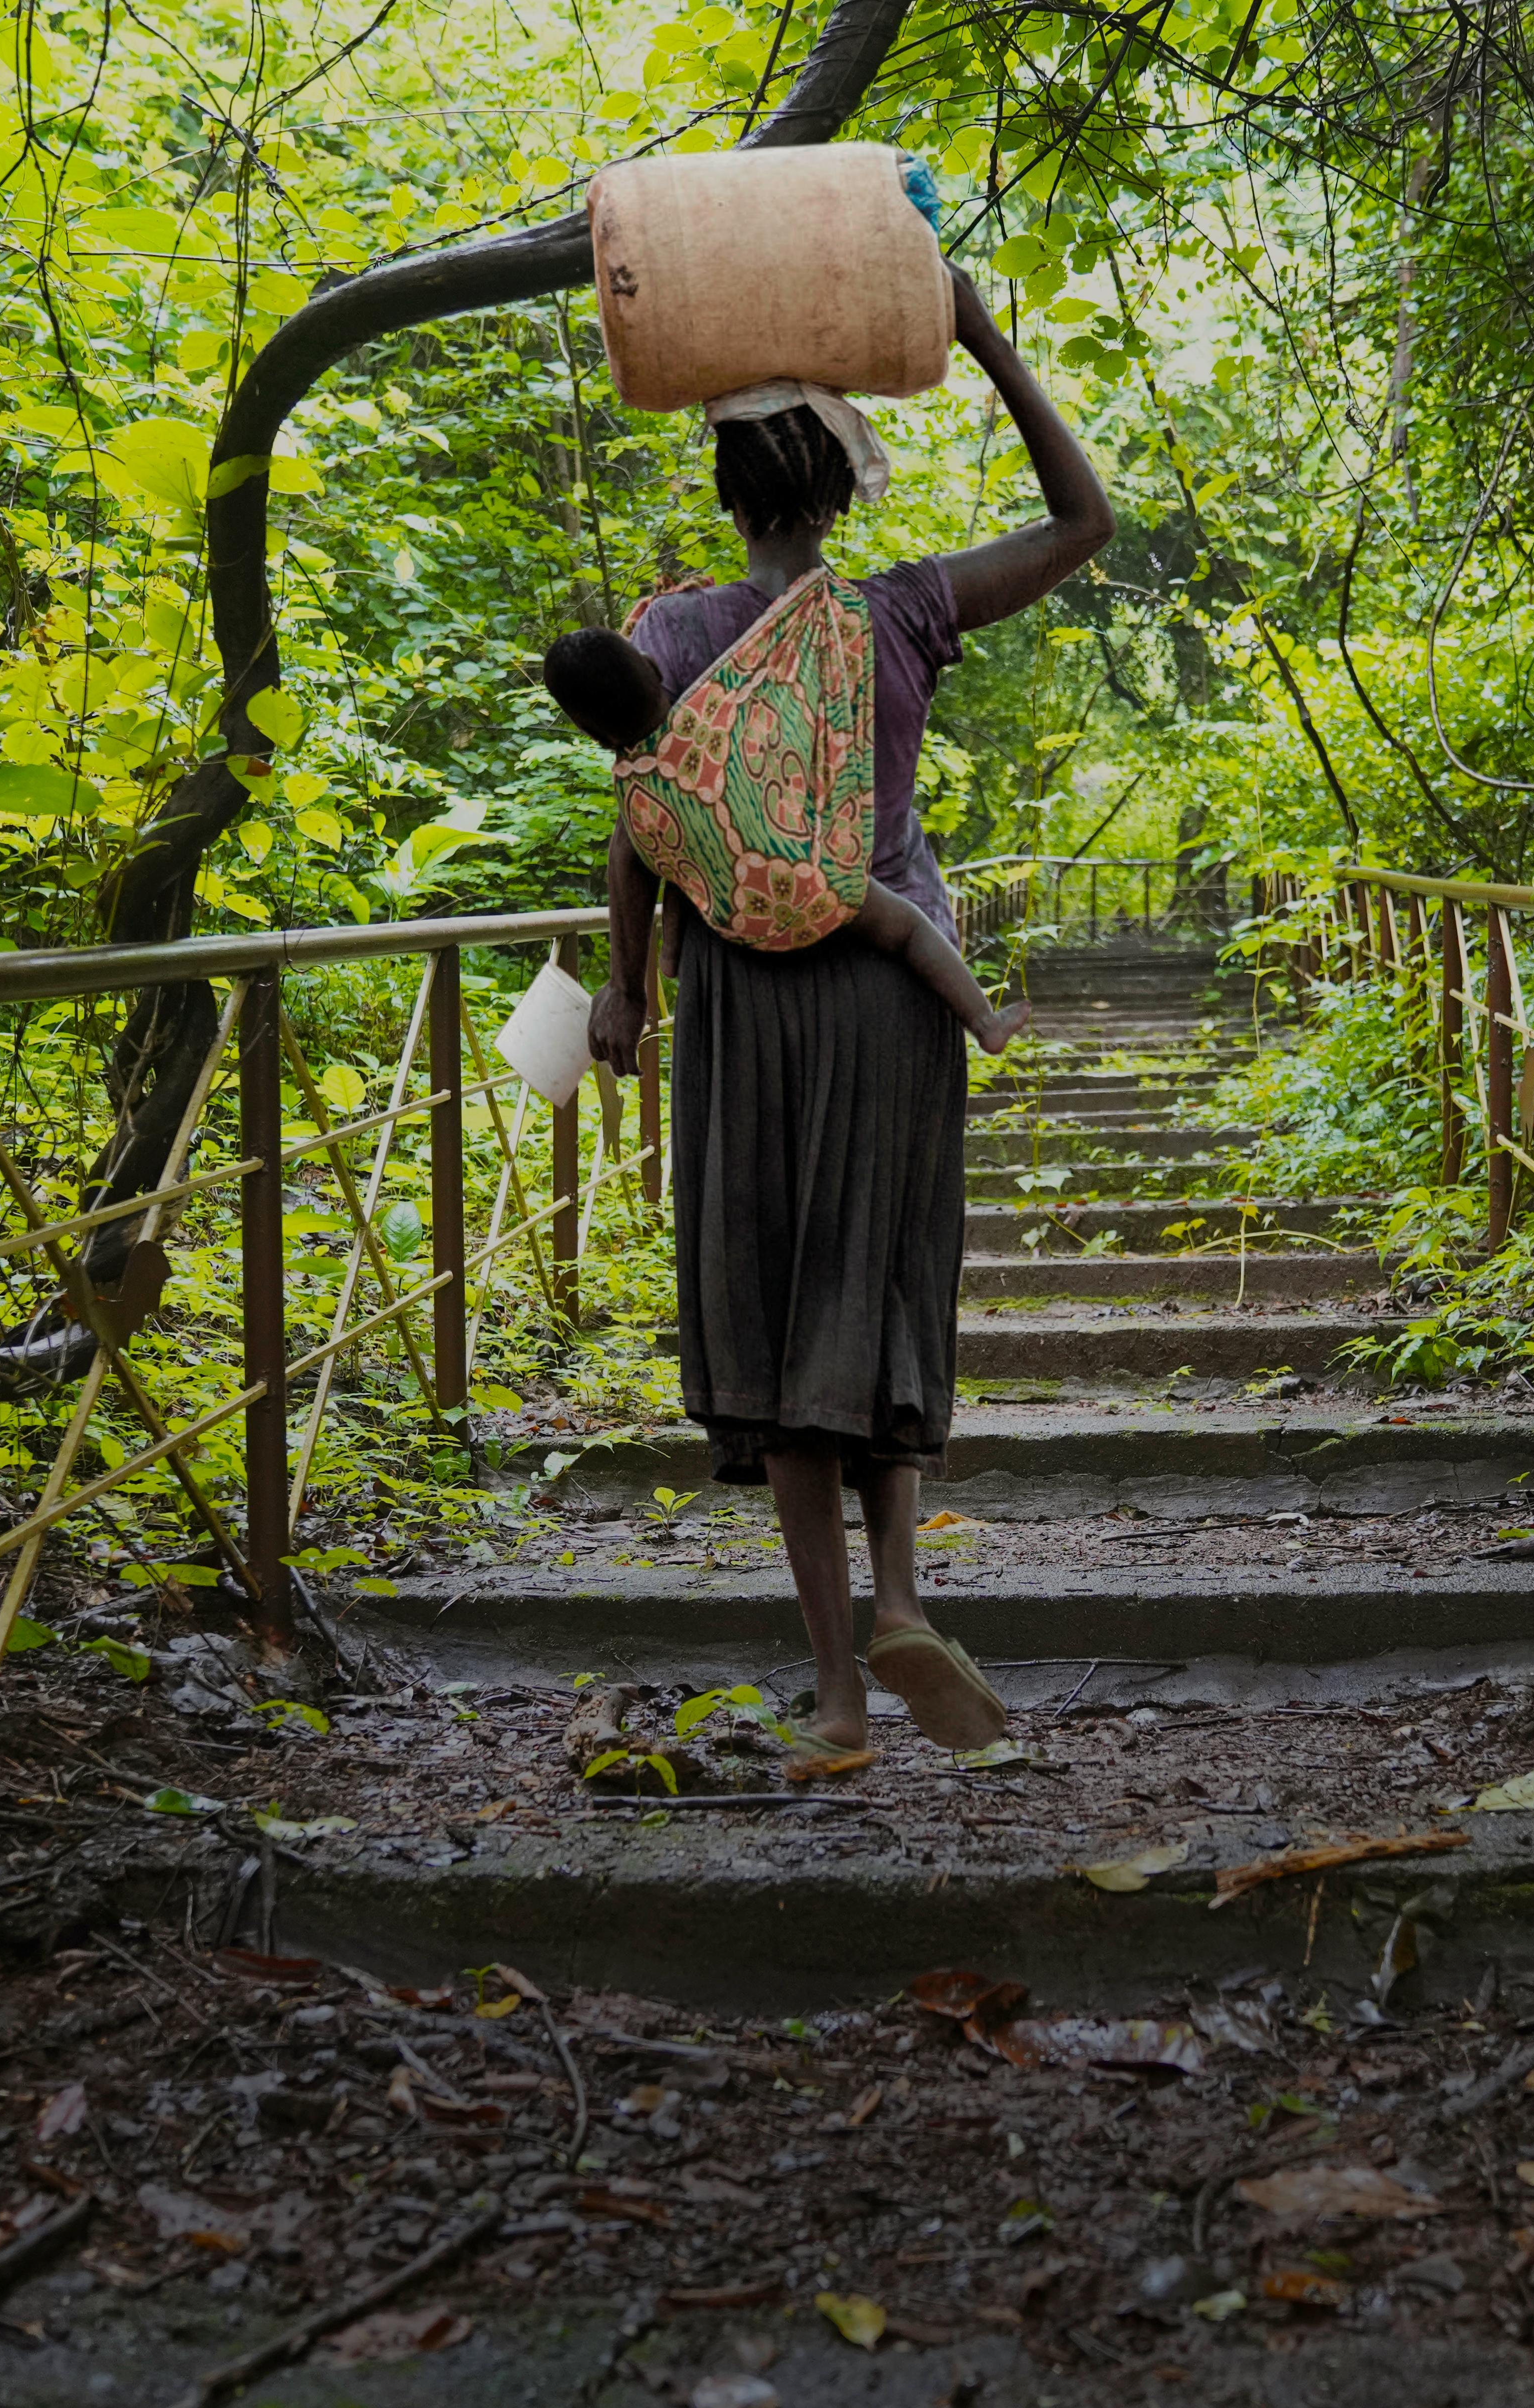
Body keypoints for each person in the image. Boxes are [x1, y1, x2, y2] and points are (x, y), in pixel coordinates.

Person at [586, 265, 1111, 1761]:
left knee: (769, 1317)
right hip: (891, 995)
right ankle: (899, 1594)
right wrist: (984, 335)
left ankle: (834, 1692)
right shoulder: (904, 611)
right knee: (874, 1291)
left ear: (724, 485)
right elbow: (1086, 525)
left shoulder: (672, 637)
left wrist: (623, 988)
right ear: (840, 488)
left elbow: (635, 819)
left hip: (745, 1000)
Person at [541, 626, 1031, 1053]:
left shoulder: (637, 800)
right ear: (651, 666)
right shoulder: (718, 701)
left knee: (683, 885)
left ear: (593, 734)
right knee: (908, 930)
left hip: (747, 920)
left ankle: (669, 960)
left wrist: (631, 985)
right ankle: (985, 1022)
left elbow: (646, 861)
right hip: (812, 882)